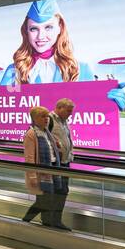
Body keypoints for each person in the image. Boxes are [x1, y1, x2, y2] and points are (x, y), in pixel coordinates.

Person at [0, 0, 125, 110]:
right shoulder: (13, 70)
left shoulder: (81, 69)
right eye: (34, 29)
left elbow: (91, 114)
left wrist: (109, 104)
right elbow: (1, 111)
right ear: (26, 31)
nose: (41, 36)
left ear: (60, 27)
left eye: (48, 27)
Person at [21, 105, 64, 228]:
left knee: (46, 201)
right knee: (44, 201)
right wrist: (32, 176)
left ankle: (44, 222)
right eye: (43, 116)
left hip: (50, 171)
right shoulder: (31, 134)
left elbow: (52, 149)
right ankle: (26, 220)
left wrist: (57, 145)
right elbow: (29, 157)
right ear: (35, 119)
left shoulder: (47, 132)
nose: (46, 119)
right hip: (40, 174)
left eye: (47, 116)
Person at [46, 97, 75, 231]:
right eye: (68, 111)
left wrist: (70, 155)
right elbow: (42, 137)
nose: (71, 114)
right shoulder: (49, 120)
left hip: (65, 162)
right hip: (55, 163)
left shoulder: (64, 121)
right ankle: (52, 220)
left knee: (63, 191)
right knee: (58, 191)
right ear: (59, 108)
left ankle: (55, 219)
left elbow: (67, 139)